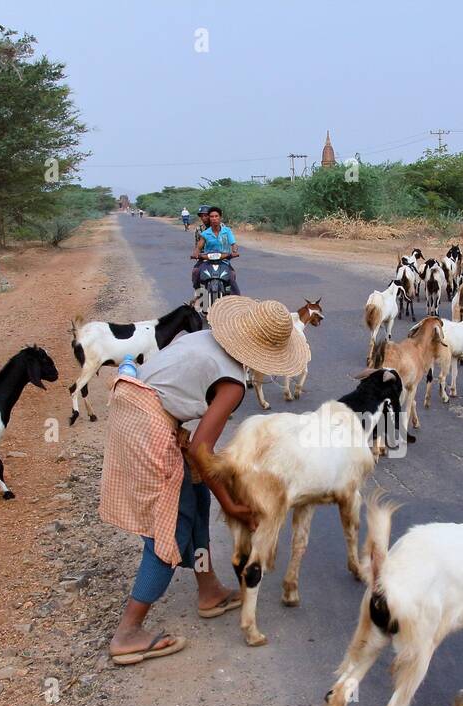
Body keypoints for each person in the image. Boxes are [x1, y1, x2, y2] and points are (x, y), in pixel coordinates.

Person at [98, 296, 310, 664]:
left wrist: (208, 479)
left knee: (196, 493)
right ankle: (128, 632)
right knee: (170, 528)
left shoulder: (200, 337)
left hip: (137, 409)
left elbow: (181, 405)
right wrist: (232, 504)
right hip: (148, 426)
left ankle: (208, 589)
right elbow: (201, 449)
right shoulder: (233, 384)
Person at [192, 206, 241, 295]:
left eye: (216, 216)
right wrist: (196, 254)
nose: (214, 219)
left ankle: (237, 300)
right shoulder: (204, 233)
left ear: (220, 217)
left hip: (224, 259)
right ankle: (198, 295)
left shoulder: (226, 230)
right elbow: (198, 247)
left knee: (232, 275)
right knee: (196, 272)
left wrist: (234, 251)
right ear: (209, 218)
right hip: (207, 260)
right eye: (211, 217)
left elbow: (233, 243)